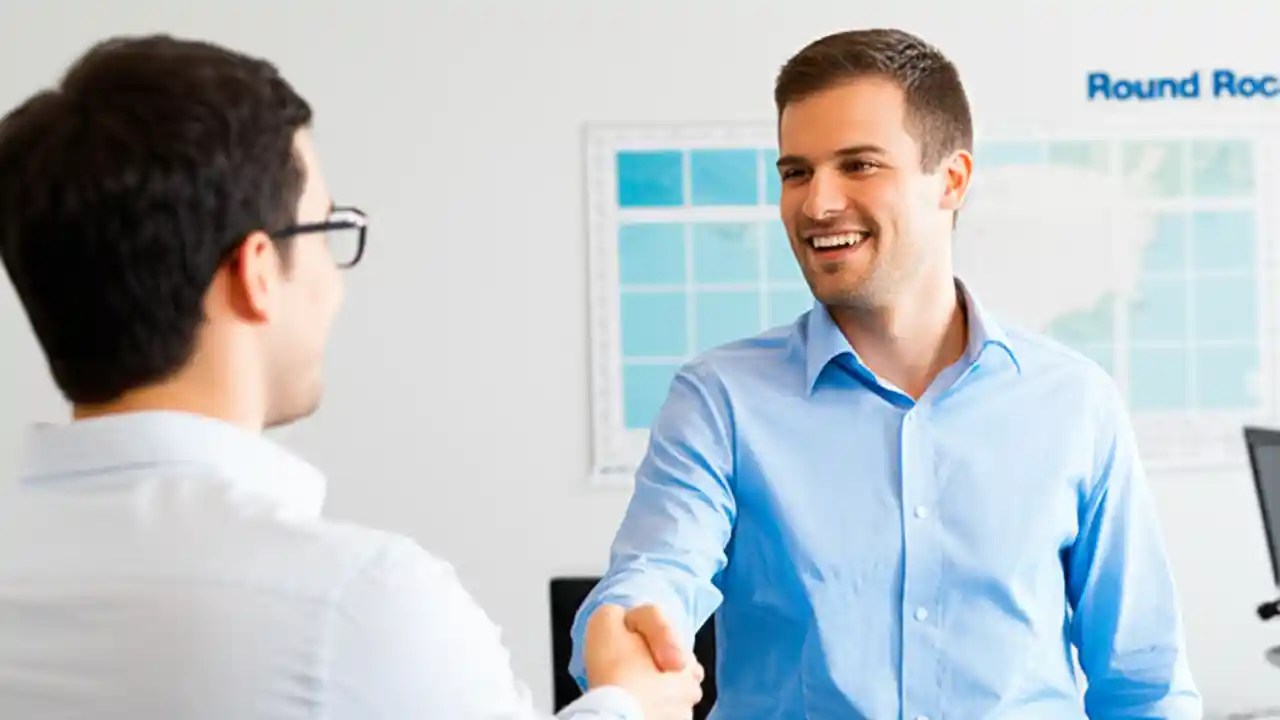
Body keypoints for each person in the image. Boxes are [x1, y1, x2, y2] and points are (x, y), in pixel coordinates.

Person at [0, 35, 702, 719]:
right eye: (325, 230)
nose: (335, 283)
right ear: (255, 274)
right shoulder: (358, 606)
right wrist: (631, 706)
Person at [570, 28, 1202, 718]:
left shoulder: (1075, 403)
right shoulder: (720, 399)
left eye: (860, 165)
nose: (817, 204)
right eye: (796, 172)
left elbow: (1143, 685)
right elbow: (657, 572)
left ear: (951, 180)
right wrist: (627, 629)